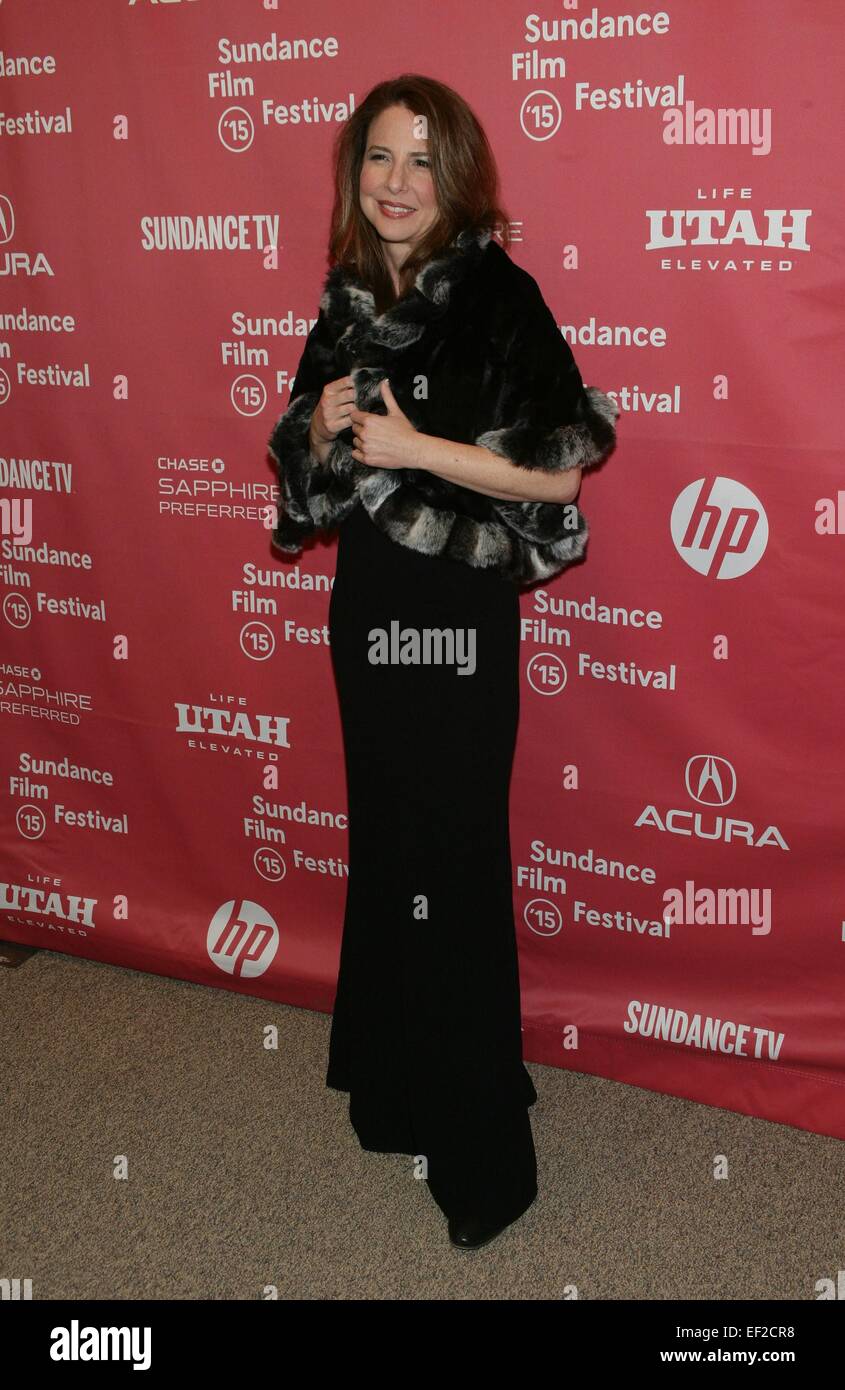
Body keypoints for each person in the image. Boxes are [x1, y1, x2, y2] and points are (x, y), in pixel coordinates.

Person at [267, 74, 618, 1251]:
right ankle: (396, 1089)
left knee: (452, 860)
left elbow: (561, 478)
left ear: (455, 174)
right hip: (366, 610)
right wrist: (313, 431)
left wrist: (423, 448)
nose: (397, 182)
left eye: (421, 160)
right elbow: (305, 483)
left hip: (458, 618)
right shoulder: (350, 298)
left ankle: (484, 1162)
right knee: (389, 841)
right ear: (353, 176)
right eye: (378, 158)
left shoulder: (500, 298)